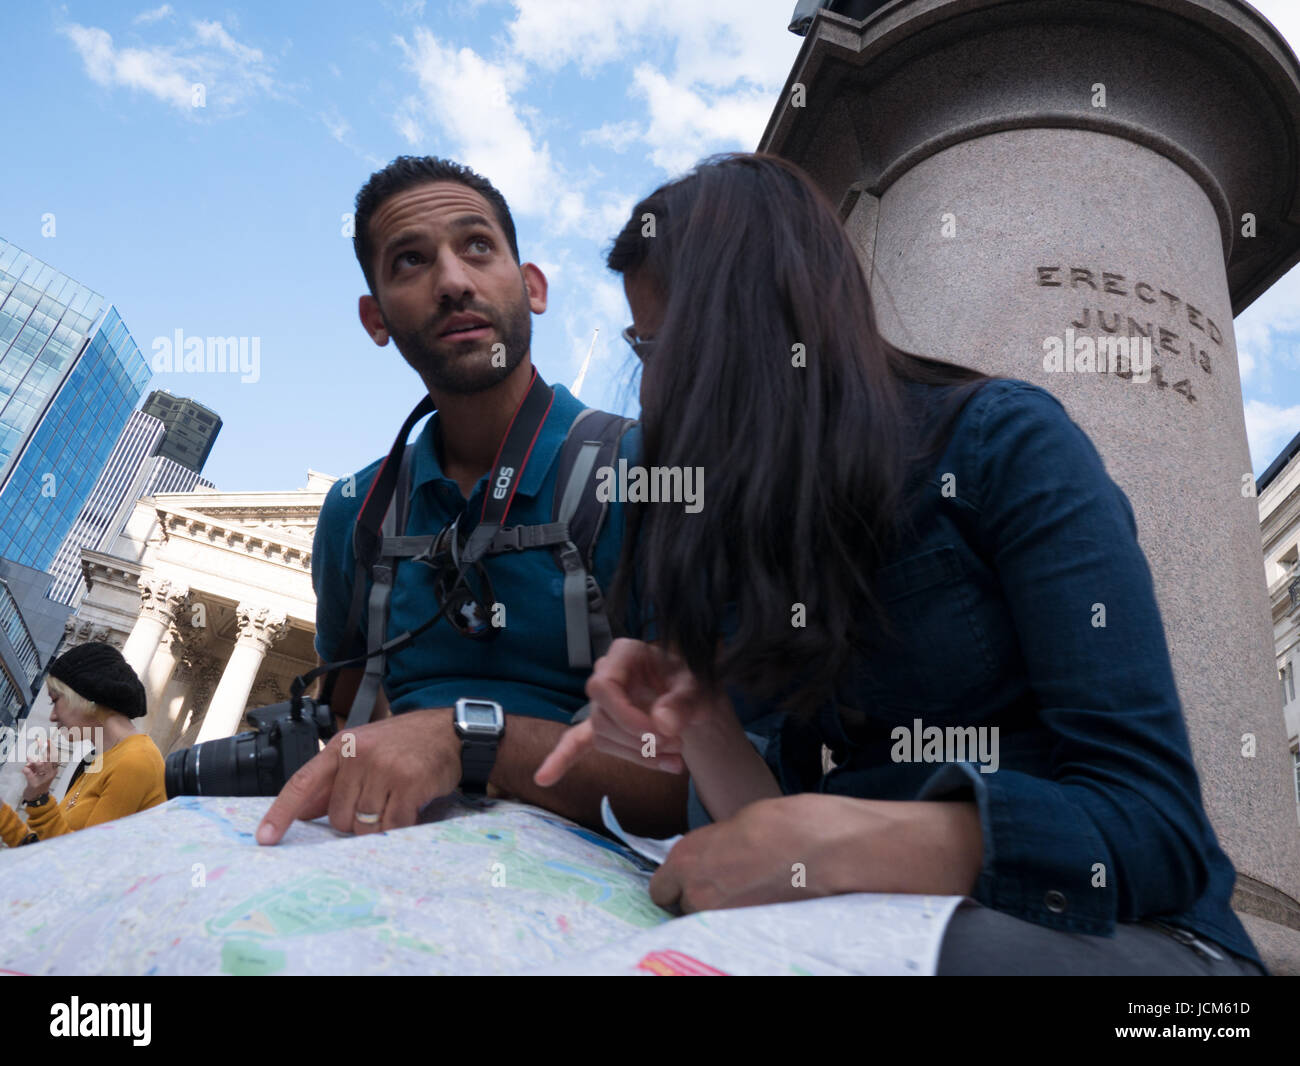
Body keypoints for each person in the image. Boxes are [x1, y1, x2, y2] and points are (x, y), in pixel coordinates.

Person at [534, 152, 1266, 976]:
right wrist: (701, 713)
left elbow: (1155, 830)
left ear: (760, 320)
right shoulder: (744, 539)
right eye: (641, 344)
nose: (653, 388)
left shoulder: (1005, 443)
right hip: (857, 937)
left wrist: (847, 840)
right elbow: (776, 862)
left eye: (665, 345)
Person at [256, 156, 686, 847]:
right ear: (375, 319)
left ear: (533, 286)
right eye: (410, 261)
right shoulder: (355, 513)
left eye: (478, 247)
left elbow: (696, 780)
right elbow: (346, 722)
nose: (453, 282)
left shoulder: (646, 470)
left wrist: (465, 741)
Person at [0, 642, 164, 846]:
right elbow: (43, 852)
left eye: (55, 700)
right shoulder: (102, 760)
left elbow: (78, 863)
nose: (52, 716)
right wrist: (33, 800)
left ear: (85, 698)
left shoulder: (135, 761)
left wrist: (40, 800)